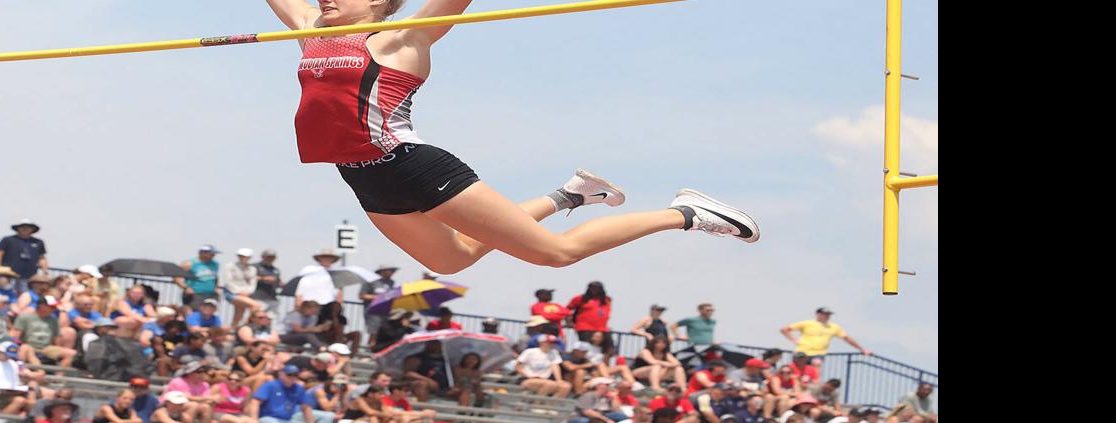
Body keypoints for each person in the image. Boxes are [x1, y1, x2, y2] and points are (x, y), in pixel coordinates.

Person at [266, 0, 759, 276]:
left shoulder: (404, 38)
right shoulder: (310, 32)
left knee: (556, 255)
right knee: (449, 259)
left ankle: (687, 213)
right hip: (361, 178)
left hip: (412, 166)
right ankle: (570, 194)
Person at [247, 365, 322, 423]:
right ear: (281, 375)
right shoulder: (271, 385)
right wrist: (254, 421)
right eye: (289, 375)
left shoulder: (298, 388)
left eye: (295, 375)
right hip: (267, 418)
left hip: (287, 421)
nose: (292, 377)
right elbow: (255, 402)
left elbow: (306, 408)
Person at [781, 307, 871, 358]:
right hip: (802, 351)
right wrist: (794, 340)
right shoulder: (807, 323)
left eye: (828, 314)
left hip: (818, 353)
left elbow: (847, 338)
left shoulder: (834, 327)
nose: (827, 316)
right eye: (825, 314)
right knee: (797, 372)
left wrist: (862, 349)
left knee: (816, 365)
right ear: (818, 314)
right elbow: (784, 329)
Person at [0, 218, 49, 295]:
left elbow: (42, 258)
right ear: (18, 228)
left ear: (32, 229)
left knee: (25, 295)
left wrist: (44, 271)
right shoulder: (8, 240)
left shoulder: (38, 242)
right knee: (7, 293)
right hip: (9, 274)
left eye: (28, 227)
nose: (25, 228)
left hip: (29, 276)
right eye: (23, 226)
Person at [360, 265, 400, 346]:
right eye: (388, 270)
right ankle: (369, 349)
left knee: (381, 332)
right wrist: (379, 297)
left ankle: (374, 349)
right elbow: (362, 295)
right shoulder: (371, 281)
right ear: (381, 272)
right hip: (373, 311)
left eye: (391, 271)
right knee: (374, 332)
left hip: (385, 311)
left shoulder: (392, 282)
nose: (390, 273)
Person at [223, 248, 263, 327]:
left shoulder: (252, 269)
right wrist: (238, 292)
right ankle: (246, 326)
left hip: (246, 294)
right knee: (256, 306)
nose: (243, 258)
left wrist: (247, 292)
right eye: (241, 256)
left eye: (246, 256)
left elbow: (253, 283)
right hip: (232, 293)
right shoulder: (230, 266)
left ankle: (233, 329)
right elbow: (228, 281)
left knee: (238, 315)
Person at [250, 249, 283, 315]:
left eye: (272, 257)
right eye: (268, 257)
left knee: (272, 319)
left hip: (272, 298)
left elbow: (277, 281)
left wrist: (281, 284)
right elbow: (249, 278)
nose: (270, 259)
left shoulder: (275, 269)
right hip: (258, 298)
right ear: (263, 257)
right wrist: (264, 278)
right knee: (257, 317)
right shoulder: (254, 266)